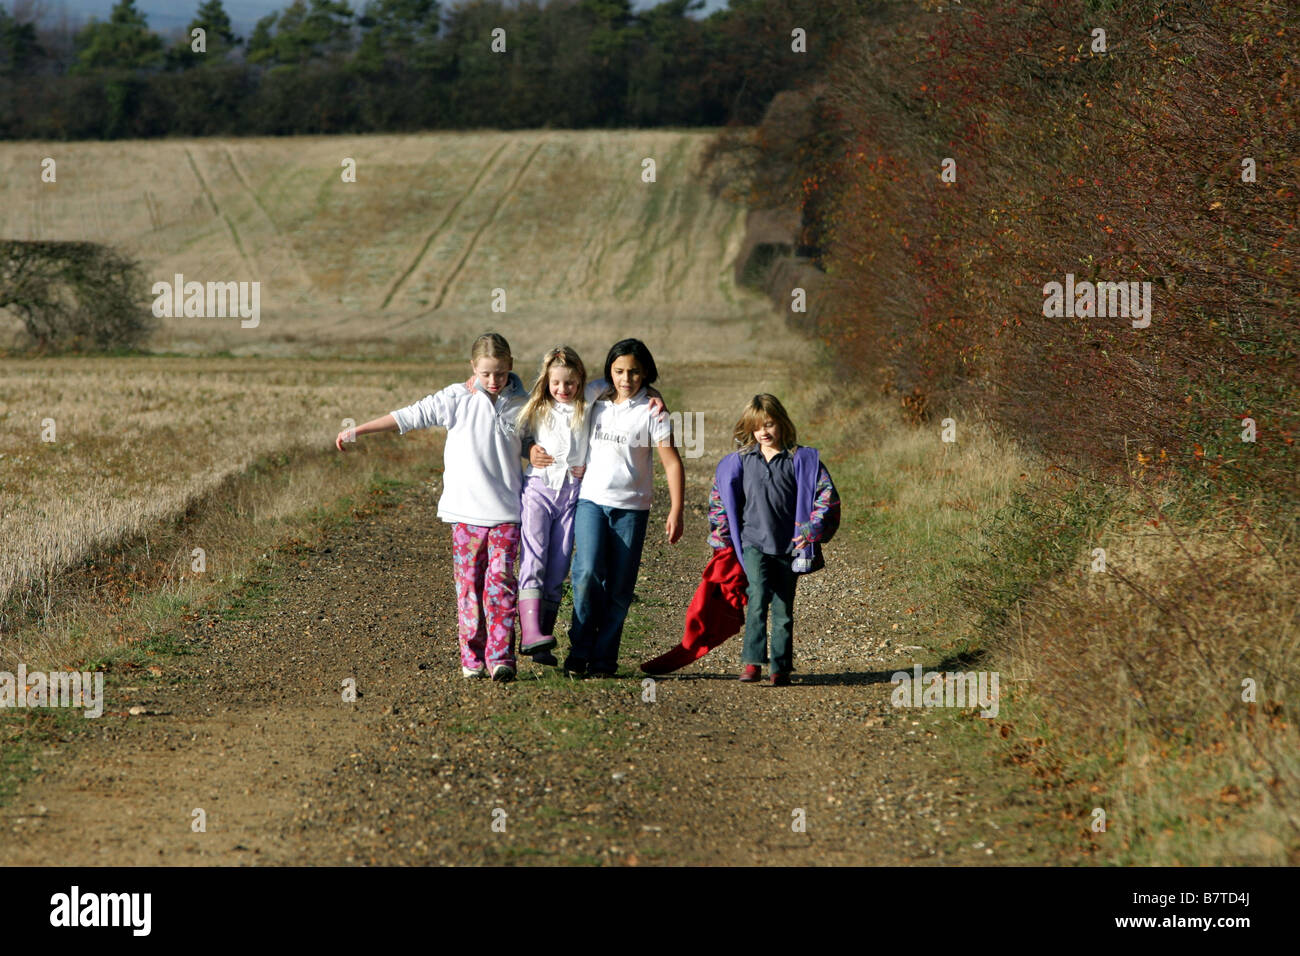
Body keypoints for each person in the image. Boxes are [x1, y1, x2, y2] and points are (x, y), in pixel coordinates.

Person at [336, 332, 528, 682]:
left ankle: (501, 659)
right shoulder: (455, 398)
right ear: (473, 368)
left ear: (510, 366)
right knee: (469, 587)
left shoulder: (524, 403)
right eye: (486, 373)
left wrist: (540, 452)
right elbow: (411, 415)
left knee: (500, 584)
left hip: (507, 514)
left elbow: (536, 440)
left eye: (500, 373)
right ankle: (472, 659)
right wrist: (360, 430)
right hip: (465, 515)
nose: (493, 381)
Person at [537, 339, 683, 677]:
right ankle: (579, 651)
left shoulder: (653, 410)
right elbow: (552, 384)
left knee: (619, 587)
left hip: (632, 509)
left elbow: (672, 463)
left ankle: (604, 659)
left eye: (634, 371)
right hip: (591, 500)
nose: (626, 378)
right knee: (586, 574)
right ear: (610, 372)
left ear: (645, 372)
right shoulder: (594, 399)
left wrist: (676, 510)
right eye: (619, 371)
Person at [708, 394, 840, 685]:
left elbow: (826, 497)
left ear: (782, 423)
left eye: (769, 424)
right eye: (757, 427)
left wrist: (810, 531)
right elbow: (720, 500)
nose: (763, 432)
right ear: (749, 428)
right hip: (752, 543)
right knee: (757, 598)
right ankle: (752, 662)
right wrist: (722, 539)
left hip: (790, 547)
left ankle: (780, 667)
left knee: (783, 608)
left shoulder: (801, 461)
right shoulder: (740, 462)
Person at [515, 346, 590, 666]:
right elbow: (518, 438)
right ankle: (529, 632)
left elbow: (623, 387)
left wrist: (653, 392)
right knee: (533, 559)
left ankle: (541, 641)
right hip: (538, 491)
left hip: (572, 495)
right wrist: (529, 449)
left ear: (580, 381)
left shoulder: (589, 404)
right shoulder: (536, 406)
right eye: (556, 382)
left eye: (570, 383)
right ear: (546, 381)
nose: (563, 389)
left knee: (559, 566)